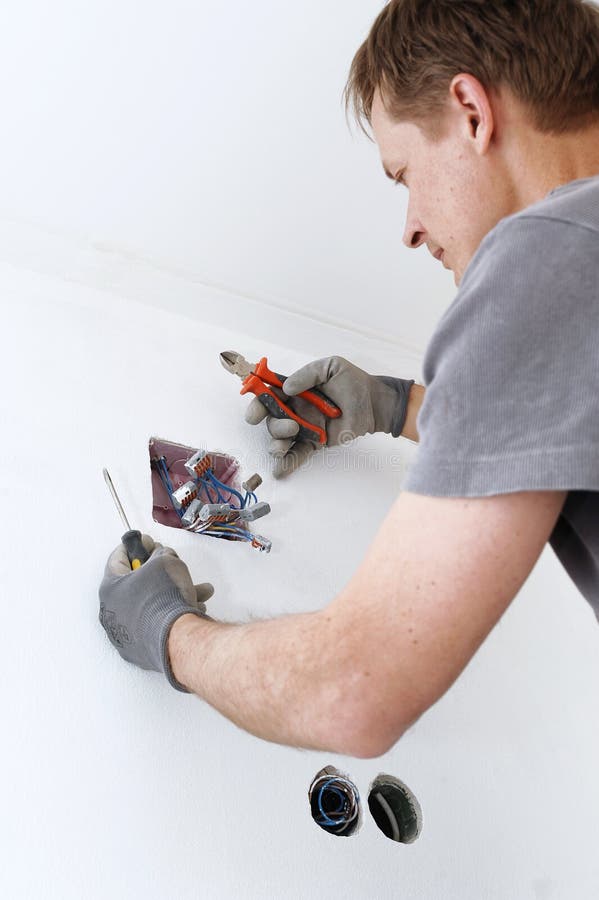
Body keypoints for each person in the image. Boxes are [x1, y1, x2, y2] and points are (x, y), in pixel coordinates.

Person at [98, 0, 599, 759]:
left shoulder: (541, 259)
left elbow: (351, 691)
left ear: (471, 111)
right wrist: (397, 407)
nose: (410, 227)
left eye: (404, 175)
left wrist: (166, 631)